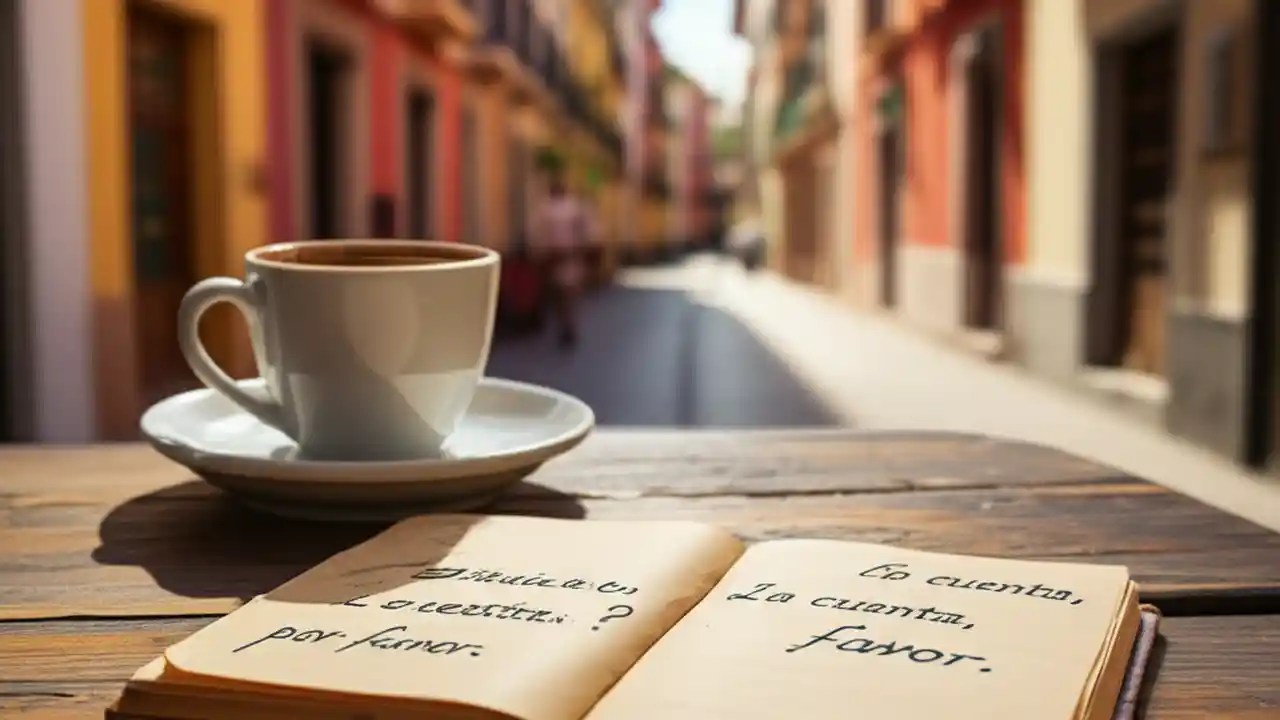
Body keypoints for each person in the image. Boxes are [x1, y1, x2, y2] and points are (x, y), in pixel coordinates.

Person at [533, 171, 593, 349]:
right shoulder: (572, 207)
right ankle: (568, 325)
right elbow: (583, 231)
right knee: (567, 294)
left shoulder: (547, 208)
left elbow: (540, 234)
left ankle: (566, 325)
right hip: (567, 254)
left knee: (561, 294)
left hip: (559, 255)